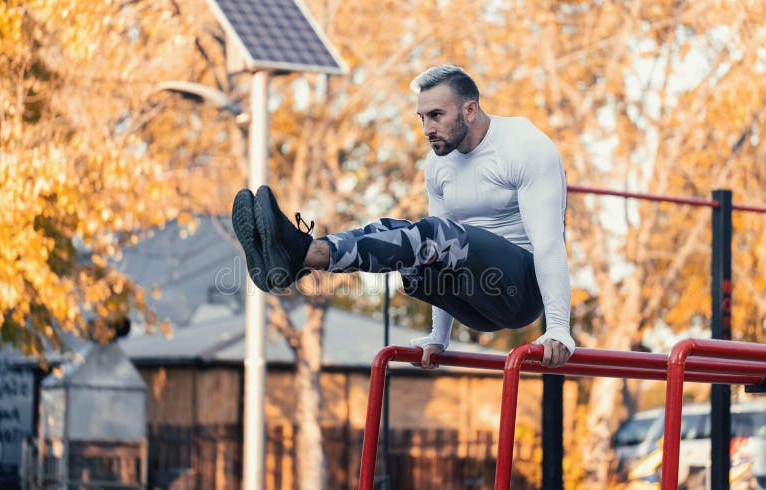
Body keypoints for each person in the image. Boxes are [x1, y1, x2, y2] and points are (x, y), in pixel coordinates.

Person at [232, 65, 575, 368]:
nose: (427, 128)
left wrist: (558, 327)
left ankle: (306, 253)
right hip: (476, 301)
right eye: (422, 118)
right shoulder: (438, 164)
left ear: (470, 110)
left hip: (520, 288)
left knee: (432, 236)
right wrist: (437, 337)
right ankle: (296, 260)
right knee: (401, 239)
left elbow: (549, 244)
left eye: (436, 115)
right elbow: (433, 249)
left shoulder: (524, 146)